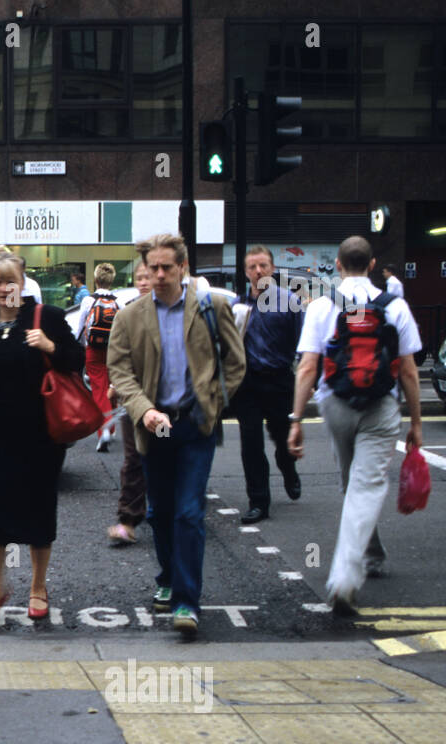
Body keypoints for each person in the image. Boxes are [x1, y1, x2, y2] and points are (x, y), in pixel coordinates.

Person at [107, 234, 246, 638]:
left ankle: (187, 601)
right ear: (146, 270)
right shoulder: (129, 316)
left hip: (193, 424)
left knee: (188, 512)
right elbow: (120, 372)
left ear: (183, 268)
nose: (161, 274)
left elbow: (236, 362)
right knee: (159, 512)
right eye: (154, 268)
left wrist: (214, 403)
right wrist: (143, 409)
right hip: (153, 427)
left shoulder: (211, 306)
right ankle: (167, 575)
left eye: (169, 267)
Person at [288, 236, 423, 616]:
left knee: (353, 482)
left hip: (335, 403)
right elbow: (410, 373)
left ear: (338, 263)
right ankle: (346, 578)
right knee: (364, 486)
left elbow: (308, 368)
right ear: (373, 263)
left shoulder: (322, 305)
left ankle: (371, 554)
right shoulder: (394, 305)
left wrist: (296, 421)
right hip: (380, 405)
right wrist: (415, 423)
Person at [0, 255, 84, 623]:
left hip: (41, 434)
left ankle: (38, 587)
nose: (5, 288)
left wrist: (51, 348)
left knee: (38, 508)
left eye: (11, 281)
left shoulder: (48, 318)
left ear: (22, 283)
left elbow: (78, 359)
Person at [234, 245, 303, 524]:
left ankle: (288, 469)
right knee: (251, 443)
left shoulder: (290, 302)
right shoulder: (237, 305)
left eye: (263, 265)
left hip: (279, 380)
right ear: (246, 271)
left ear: (272, 269)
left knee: (282, 438)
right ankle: (259, 502)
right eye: (252, 267)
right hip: (247, 382)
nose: (258, 271)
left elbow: (303, 345)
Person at [107, 260, 153, 545]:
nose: (145, 281)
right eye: (140, 277)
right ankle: (128, 520)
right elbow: (118, 356)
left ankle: (177, 512)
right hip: (133, 399)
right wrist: (115, 384)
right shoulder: (127, 315)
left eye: (148, 276)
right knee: (133, 458)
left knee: (167, 458)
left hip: (168, 402)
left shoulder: (178, 313)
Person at [79, 263, 121, 452]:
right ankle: (111, 430)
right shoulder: (118, 303)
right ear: (111, 281)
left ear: (95, 280)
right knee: (111, 388)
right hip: (113, 351)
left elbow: (80, 327)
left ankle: (104, 429)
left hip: (93, 350)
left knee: (98, 390)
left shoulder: (89, 301)